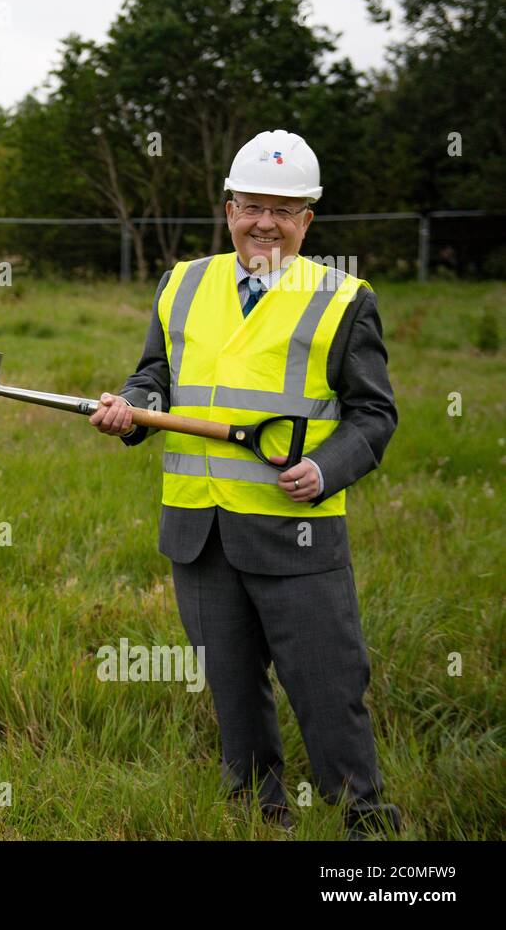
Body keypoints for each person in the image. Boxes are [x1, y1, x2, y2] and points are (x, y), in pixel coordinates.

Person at [90, 129, 401, 839]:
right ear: (228, 208)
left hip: (298, 531)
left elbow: (374, 415)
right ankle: (263, 818)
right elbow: (154, 378)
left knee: (328, 689)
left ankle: (366, 829)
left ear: (308, 220)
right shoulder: (181, 284)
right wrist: (128, 411)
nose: (267, 221)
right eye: (253, 205)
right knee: (232, 689)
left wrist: (326, 468)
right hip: (198, 529)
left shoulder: (343, 300)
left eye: (285, 209)